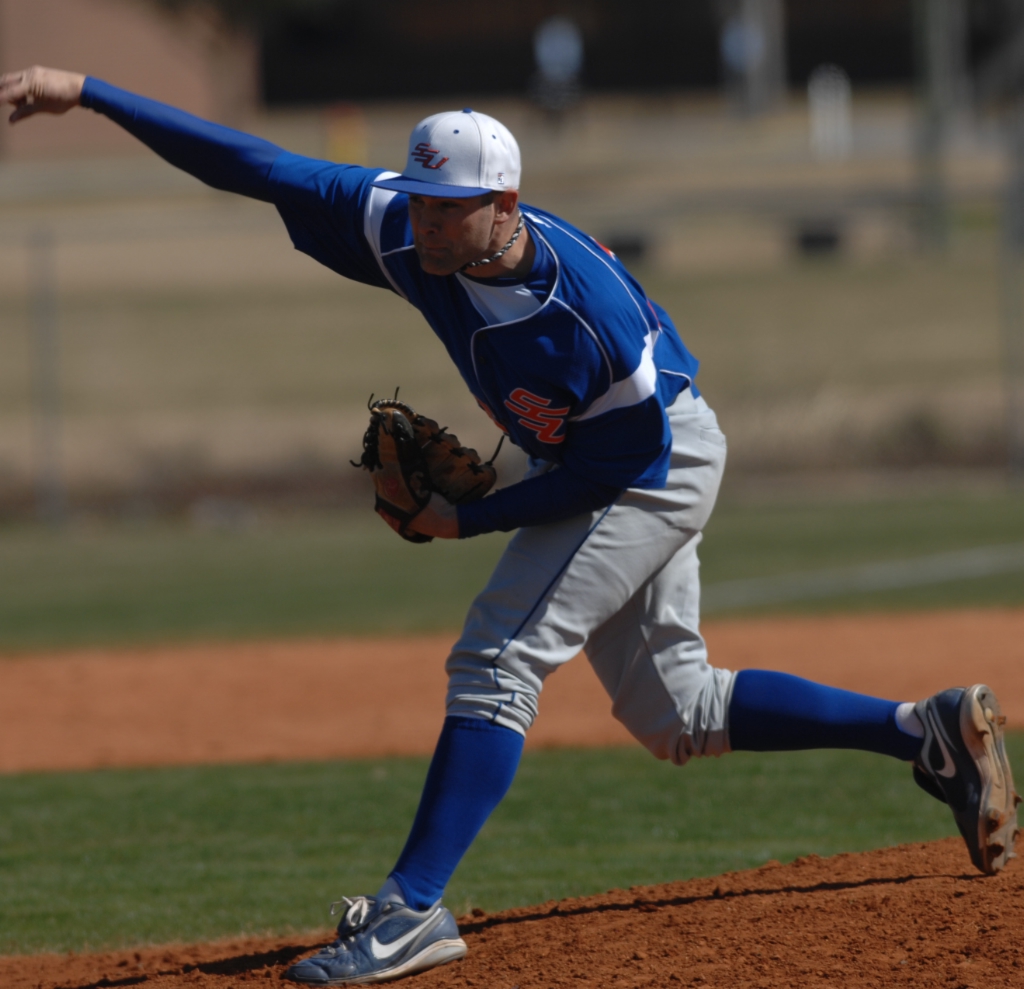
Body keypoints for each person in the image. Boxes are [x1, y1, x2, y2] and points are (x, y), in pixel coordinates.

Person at [2, 66, 1017, 987]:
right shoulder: (400, 225)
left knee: (497, 657)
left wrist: (470, 517)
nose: (429, 226)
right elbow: (255, 166)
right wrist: (89, 91)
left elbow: (624, 467)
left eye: (452, 210)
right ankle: (918, 733)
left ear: (505, 205)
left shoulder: (583, 320)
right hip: (601, 455)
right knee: (679, 713)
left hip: (649, 457)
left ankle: (409, 907)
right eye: (424, 202)